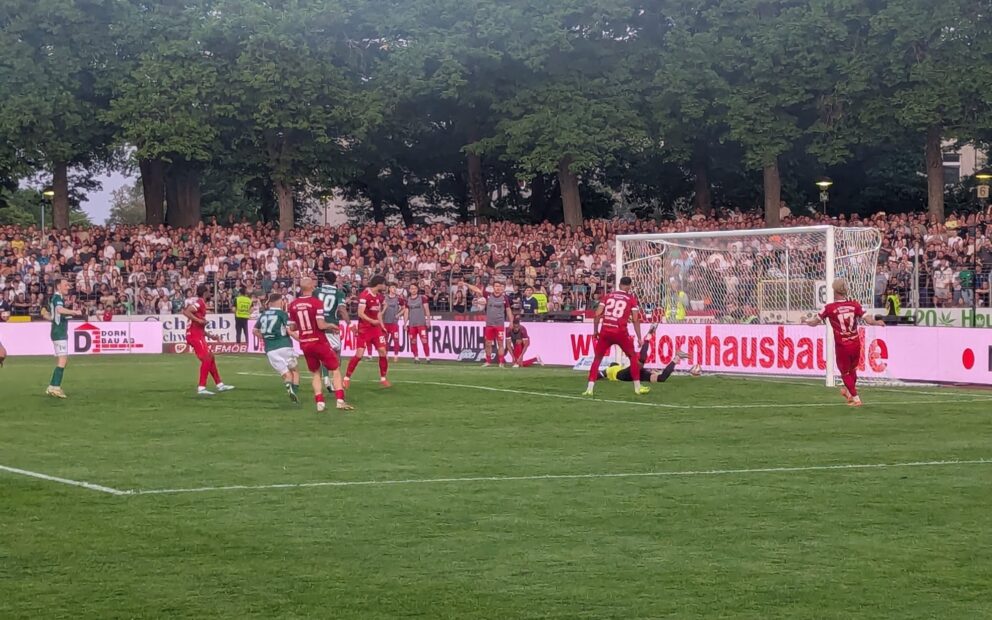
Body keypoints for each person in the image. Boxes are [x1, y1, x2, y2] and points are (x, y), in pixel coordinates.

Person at [805, 278, 885, 407]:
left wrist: (806, 321)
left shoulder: (829, 308)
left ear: (834, 291)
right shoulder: (855, 305)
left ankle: (856, 398)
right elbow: (869, 320)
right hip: (855, 342)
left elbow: (814, 323)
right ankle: (848, 393)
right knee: (852, 369)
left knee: (845, 372)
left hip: (842, 345)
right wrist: (877, 322)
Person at [288, 278, 352, 412]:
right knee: (335, 368)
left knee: (316, 373)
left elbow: (293, 327)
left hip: (305, 344)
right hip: (318, 340)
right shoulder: (316, 303)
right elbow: (321, 325)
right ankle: (340, 400)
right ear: (312, 287)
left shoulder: (293, 304)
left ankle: (320, 403)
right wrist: (332, 325)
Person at [584, 276, 648, 396]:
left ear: (619, 285)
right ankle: (637, 388)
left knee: (597, 359)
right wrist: (639, 337)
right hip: (620, 332)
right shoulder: (630, 298)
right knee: (633, 357)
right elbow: (635, 319)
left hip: (605, 331)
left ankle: (590, 388)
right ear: (629, 286)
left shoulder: (608, 296)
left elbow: (597, 314)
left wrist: (595, 331)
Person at [183, 284, 234, 396]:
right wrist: (199, 320)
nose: (210, 293)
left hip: (197, 334)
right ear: (204, 293)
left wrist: (211, 336)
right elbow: (186, 311)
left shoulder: (202, 304)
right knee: (206, 358)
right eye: (209, 291)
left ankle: (220, 385)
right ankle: (201, 387)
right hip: (194, 335)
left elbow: (198, 324)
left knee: (210, 357)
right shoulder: (200, 302)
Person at [344, 274, 390, 388]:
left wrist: (381, 325)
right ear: (378, 284)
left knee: (383, 352)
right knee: (359, 354)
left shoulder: (379, 296)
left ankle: (383, 378)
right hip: (364, 329)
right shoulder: (365, 295)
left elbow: (378, 312)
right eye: (384, 284)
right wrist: (371, 321)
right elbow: (360, 313)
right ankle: (346, 378)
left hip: (376, 329)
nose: (385, 286)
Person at [253, 293, 300, 403]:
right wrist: (300, 338)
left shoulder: (263, 314)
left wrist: (265, 338)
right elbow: (290, 329)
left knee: (286, 374)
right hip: (284, 345)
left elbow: (254, 331)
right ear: (279, 301)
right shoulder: (282, 314)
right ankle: (294, 394)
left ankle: (288, 386)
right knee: (295, 371)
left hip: (270, 349)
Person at [601, 325, 685, 383]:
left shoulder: (611, 369)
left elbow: (599, 374)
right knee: (661, 378)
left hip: (624, 375)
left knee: (642, 362)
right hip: (636, 375)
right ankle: (675, 359)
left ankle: (648, 338)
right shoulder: (618, 367)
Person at [45, 278, 83, 398]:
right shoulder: (57, 298)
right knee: (63, 360)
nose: (68, 287)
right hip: (59, 332)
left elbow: (53, 316)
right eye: (65, 285)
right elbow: (60, 310)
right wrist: (74, 312)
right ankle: (55, 387)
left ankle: (53, 386)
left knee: (63, 360)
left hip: (59, 332)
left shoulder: (57, 298)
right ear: (58, 287)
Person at [466, 280, 514, 367]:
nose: (498, 288)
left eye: (499, 286)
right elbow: (476, 289)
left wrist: (511, 321)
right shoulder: (488, 295)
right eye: (496, 286)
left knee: (500, 343)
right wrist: (466, 284)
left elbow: (508, 310)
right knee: (488, 343)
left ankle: (501, 362)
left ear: (501, 288)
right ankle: (488, 361)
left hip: (499, 324)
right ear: (493, 287)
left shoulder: (504, 298)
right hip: (489, 324)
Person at [316, 272, 349, 390]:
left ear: (324, 279)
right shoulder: (338, 293)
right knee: (336, 354)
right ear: (335, 281)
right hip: (332, 326)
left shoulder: (317, 291)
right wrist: (349, 323)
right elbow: (341, 309)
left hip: (318, 326)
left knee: (324, 353)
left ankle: (325, 378)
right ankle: (334, 381)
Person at [405, 283, 432, 363]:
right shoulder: (408, 300)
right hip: (412, 324)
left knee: (424, 340)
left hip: (421, 323)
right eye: (411, 288)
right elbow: (406, 312)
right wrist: (405, 323)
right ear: (409, 290)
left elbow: (427, 310)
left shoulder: (422, 298)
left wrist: (428, 320)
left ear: (417, 289)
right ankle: (416, 357)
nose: (413, 290)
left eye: (415, 288)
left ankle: (427, 357)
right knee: (413, 341)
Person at [382, 284, 404, 363]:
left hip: (394, 322)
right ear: (389, 289)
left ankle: (396, 355)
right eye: (392, 287)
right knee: (385, 340)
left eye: (395, 287)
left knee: (396, 340)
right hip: (385, 322)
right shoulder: (384, 298)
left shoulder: (399, 299)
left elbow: (404, 308)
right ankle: (385, 355)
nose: (394, 289)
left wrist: (398, 314)